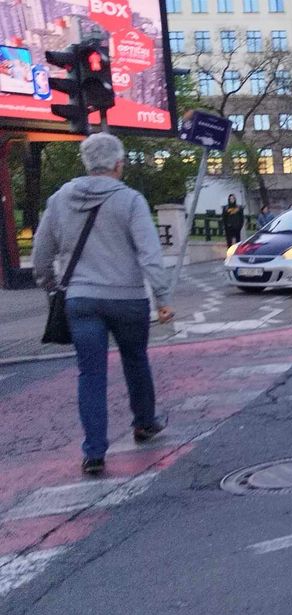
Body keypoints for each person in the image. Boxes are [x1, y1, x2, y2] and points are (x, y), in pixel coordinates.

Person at [32, 133, 174, 476]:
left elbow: (41, 254)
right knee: (135, 360)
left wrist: (52, 287)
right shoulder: (131, 201)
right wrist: (163, 298)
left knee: (90, 374)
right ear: (118, 164)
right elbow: (149, 254)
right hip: (127, 299)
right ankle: (144, 422)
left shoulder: (59, 199)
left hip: (81, 300)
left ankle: (94, 451)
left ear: (86, 163)